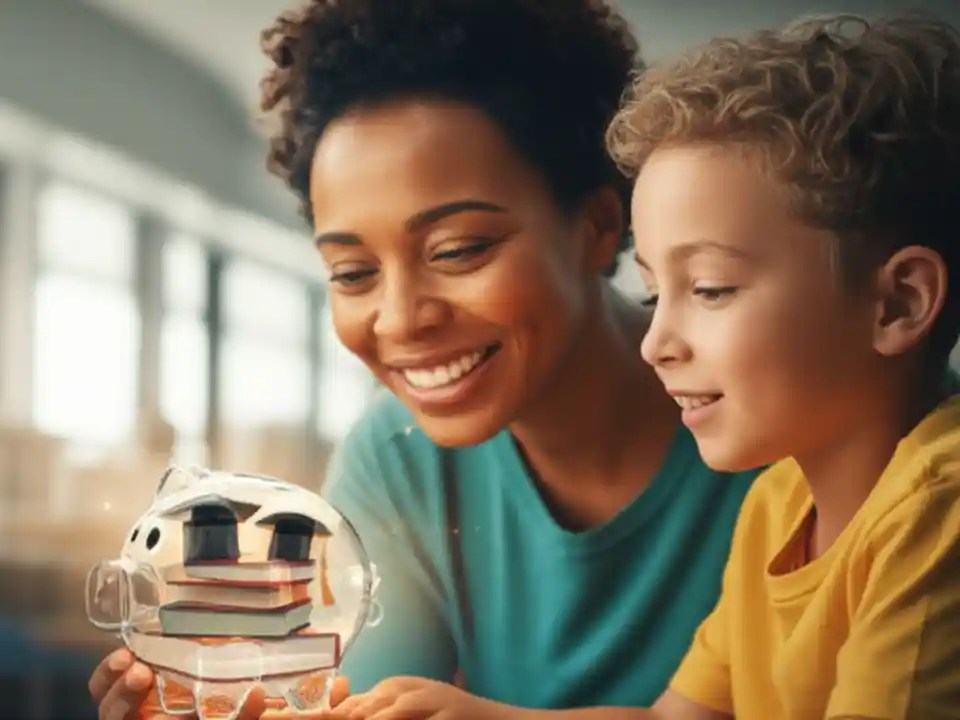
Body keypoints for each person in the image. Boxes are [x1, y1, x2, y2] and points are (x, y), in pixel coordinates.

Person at [90, 1, 758, 718]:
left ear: (597, 227)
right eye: (352, 273)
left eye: (459, 250)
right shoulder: (398, 455)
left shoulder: (778, 410)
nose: (403, 319)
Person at [326, 12, 960, 719]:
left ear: (899, 303)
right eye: (656, 292)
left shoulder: (939, 513)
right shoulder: (778, 503)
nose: (657, 341)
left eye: (711, 289)